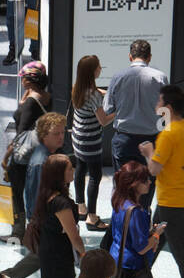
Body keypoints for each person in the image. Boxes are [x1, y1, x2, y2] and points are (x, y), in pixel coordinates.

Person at [139, 83, 184, 278]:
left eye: (159, 102)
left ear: (167, 106)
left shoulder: (167, 135)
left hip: (170, 200)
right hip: (180, 195)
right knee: (154, 240)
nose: (156, 105)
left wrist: (149, 152)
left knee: (181, 252)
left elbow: (153, 169)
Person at [25, 153, 86, 278]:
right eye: (69, 170)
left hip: (50, 250)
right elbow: (74, 236)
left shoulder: (47, 194)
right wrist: (84, 255)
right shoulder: (61, 203)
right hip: (59, 256)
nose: (73, 171)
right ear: (59, 174)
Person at [104, 40, 168, 179]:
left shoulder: (117, 77)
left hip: (124, 140)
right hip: (151, 141)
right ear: (149, 57)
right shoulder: (160, 78)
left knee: (123, 187)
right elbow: (166, 113)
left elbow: (108, 108)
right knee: (146, 184)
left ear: (130, 57)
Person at [3, 60, 51, 240]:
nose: (21, 80)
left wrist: (6, 156)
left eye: (23, 78)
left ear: (30, 81)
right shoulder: (46, 97)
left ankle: (18, 232)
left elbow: (21, 133)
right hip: (38, 152)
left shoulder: (31, 101)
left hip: (23, 155)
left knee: (17, 194)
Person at [69, 54, 113, 230]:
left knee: (80, 169)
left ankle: (81, 207)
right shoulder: (93, 95)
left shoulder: (77, 88)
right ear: (92, 71)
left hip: (78, 137)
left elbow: (93, 96)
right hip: (91, 141)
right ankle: (92, 218)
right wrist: (118, 112)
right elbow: (103, 121)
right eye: (98, 67)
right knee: (95, 175)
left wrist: (103, 92)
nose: (100, 69)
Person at [106, 160, 163, 278]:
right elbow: (141, 248)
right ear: (134, 184)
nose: (150, 182)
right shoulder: (136, 212)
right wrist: (156, 234)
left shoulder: (119, 201)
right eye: (145, 180)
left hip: (117, 258)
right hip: (131, 266)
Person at [22, 110, 66, 225]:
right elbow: (37, 196)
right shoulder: (42, 163)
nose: (61, 137)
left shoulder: (50, 154)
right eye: (56, 134)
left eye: (63, 132)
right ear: (44, 135)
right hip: (43, 222)